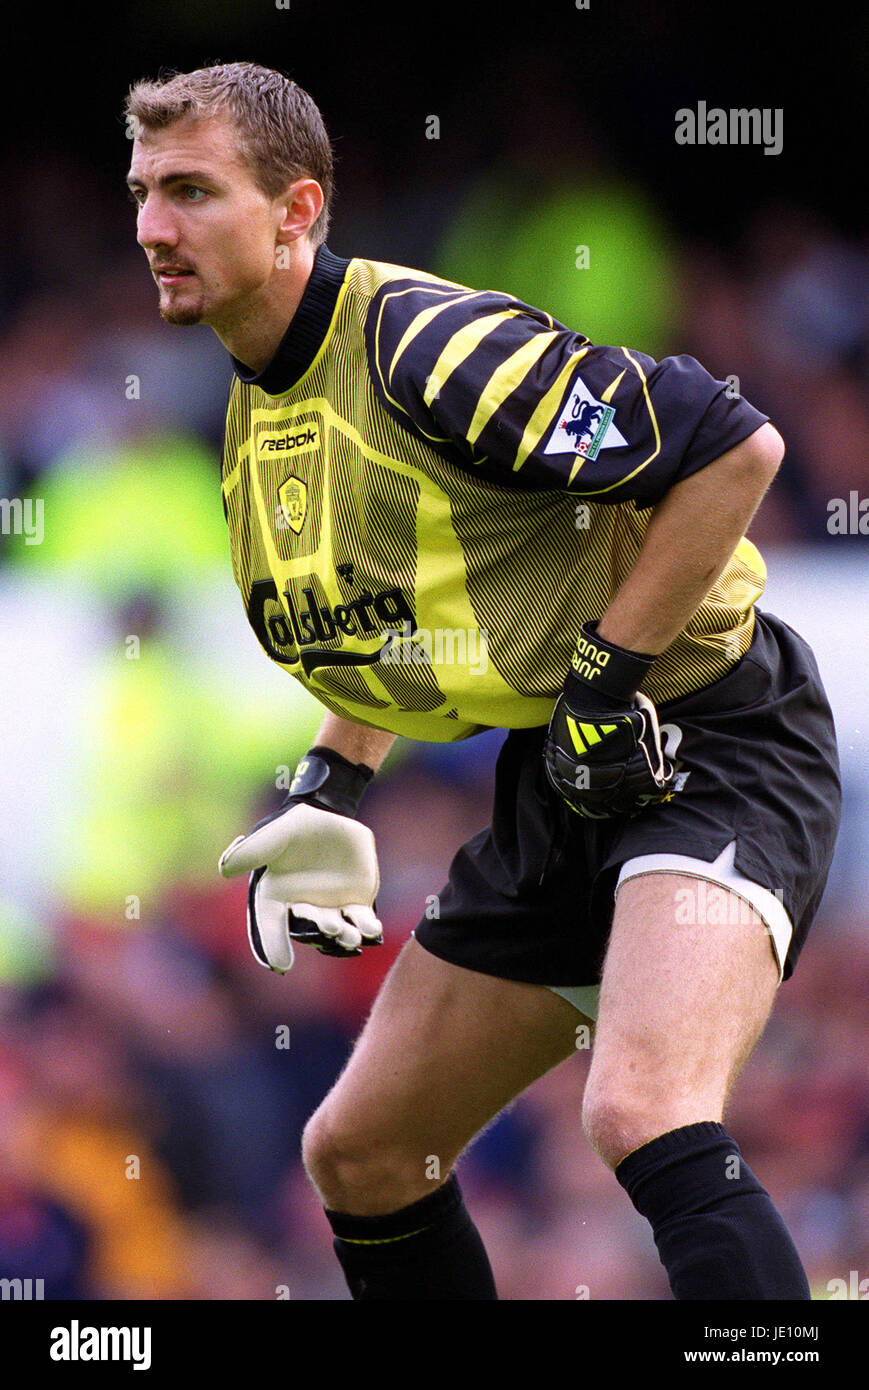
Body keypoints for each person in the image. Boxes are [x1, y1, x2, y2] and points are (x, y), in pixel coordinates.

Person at [124, 61, 842, 1301]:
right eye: (140, 192)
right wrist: (332, 782)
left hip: (715, 732)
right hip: (561, 769)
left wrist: (606, 682)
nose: (151, 227)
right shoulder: (254, 406)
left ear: (297, 212)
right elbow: (399, 619)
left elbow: (734, 448)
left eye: (191, 191)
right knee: (360, 1152)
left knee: (639, 1108)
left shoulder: (426, 343)